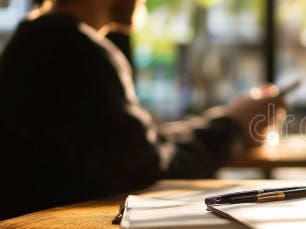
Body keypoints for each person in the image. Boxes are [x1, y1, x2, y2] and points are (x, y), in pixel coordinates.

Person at [0, 0, 282, 219]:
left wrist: (228, 118)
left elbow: (138, 145)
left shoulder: (36, 40)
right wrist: (234, 125)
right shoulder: (79, 51)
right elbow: (147, 167)